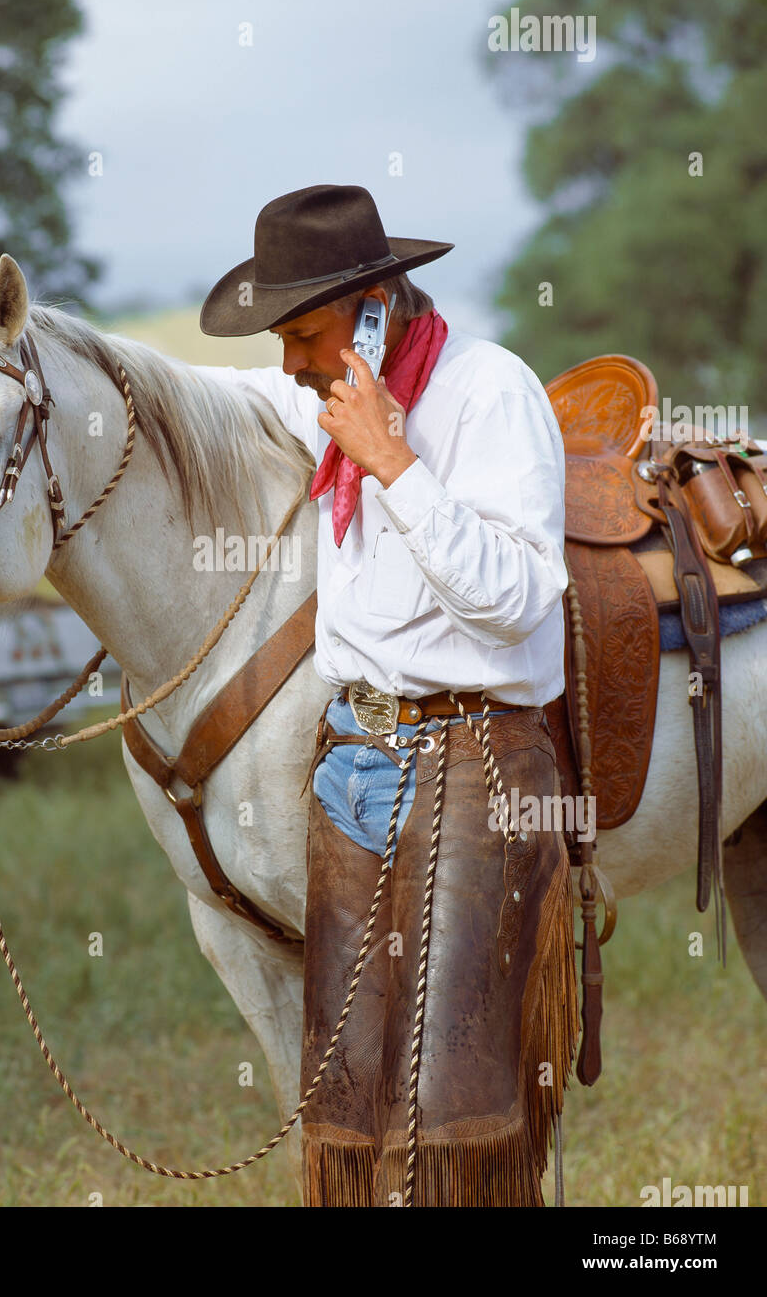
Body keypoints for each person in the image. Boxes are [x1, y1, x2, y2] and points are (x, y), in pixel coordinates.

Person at [197, 184, 578, 1207]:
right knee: (348, 1088)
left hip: (471, 759)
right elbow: (206, 391)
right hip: (350, 765)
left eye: (304, 332)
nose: (288, 363)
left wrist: (393, 462)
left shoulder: (487, 393)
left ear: (374, 304)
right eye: (278, 338)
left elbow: (516, 600)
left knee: (449, 1108)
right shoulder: (328, 389)